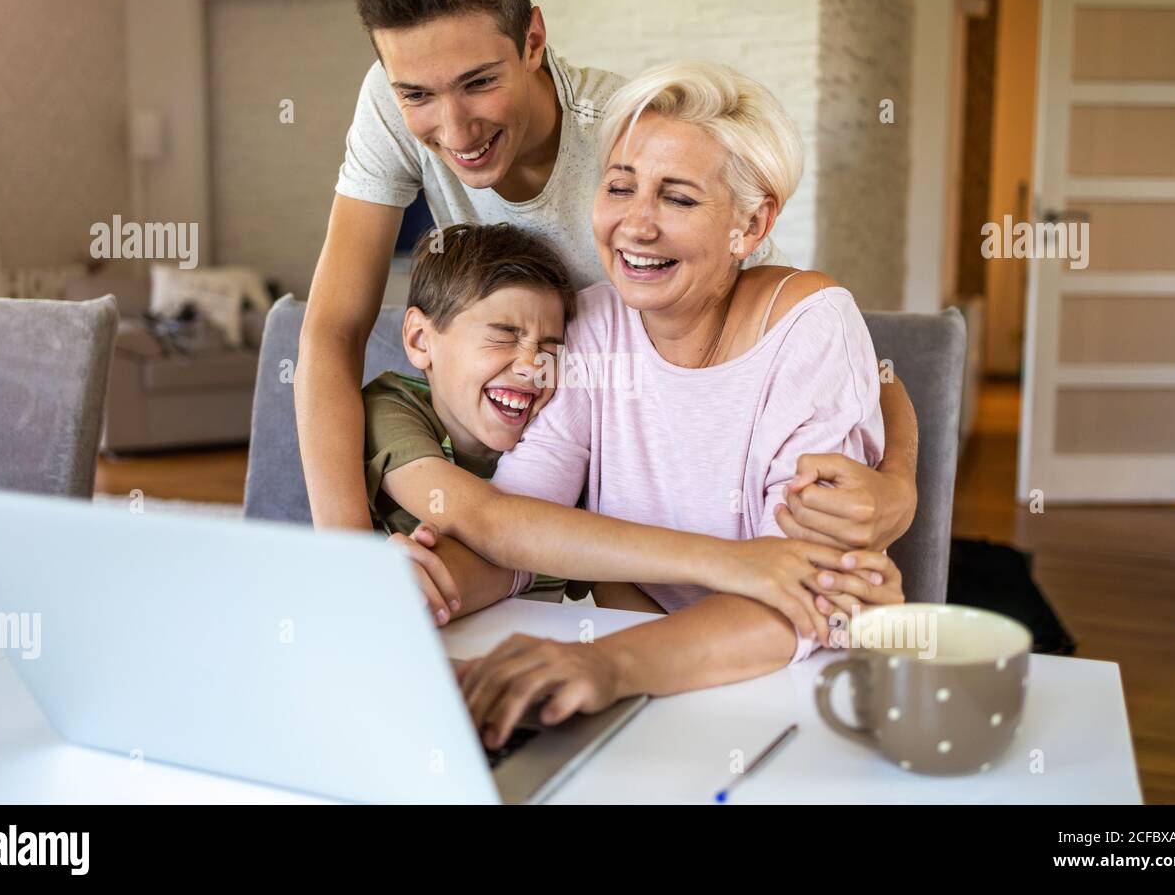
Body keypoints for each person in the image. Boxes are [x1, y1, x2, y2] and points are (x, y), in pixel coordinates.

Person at [297, 0, 919, 557]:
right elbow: (332, 329)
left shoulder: (634, 146)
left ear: (534, 40)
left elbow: (812, 349)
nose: (456, 132)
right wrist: (346, 563)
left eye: (481, 83)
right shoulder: (391, 97)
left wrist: (898, 483)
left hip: (605, 514)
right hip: (521, 493)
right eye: (417, 95)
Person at [443, 60, 903, 749]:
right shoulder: (595, 319)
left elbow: (804, 598)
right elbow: (520, 526)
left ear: (750, 224)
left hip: (789, 697)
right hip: (641, 684)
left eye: (678, 199)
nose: (636, 224)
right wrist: (429, 583)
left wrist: (604, 663)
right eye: (620, 187)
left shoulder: (811, 326)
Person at [364, 221, 899, 643]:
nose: (533, 366)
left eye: (551, 347)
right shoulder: (393, 407)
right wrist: (736, 564)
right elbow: (496, 525)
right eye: (503, 336)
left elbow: (534, 564)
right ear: (419, 339)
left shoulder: (561, 434)